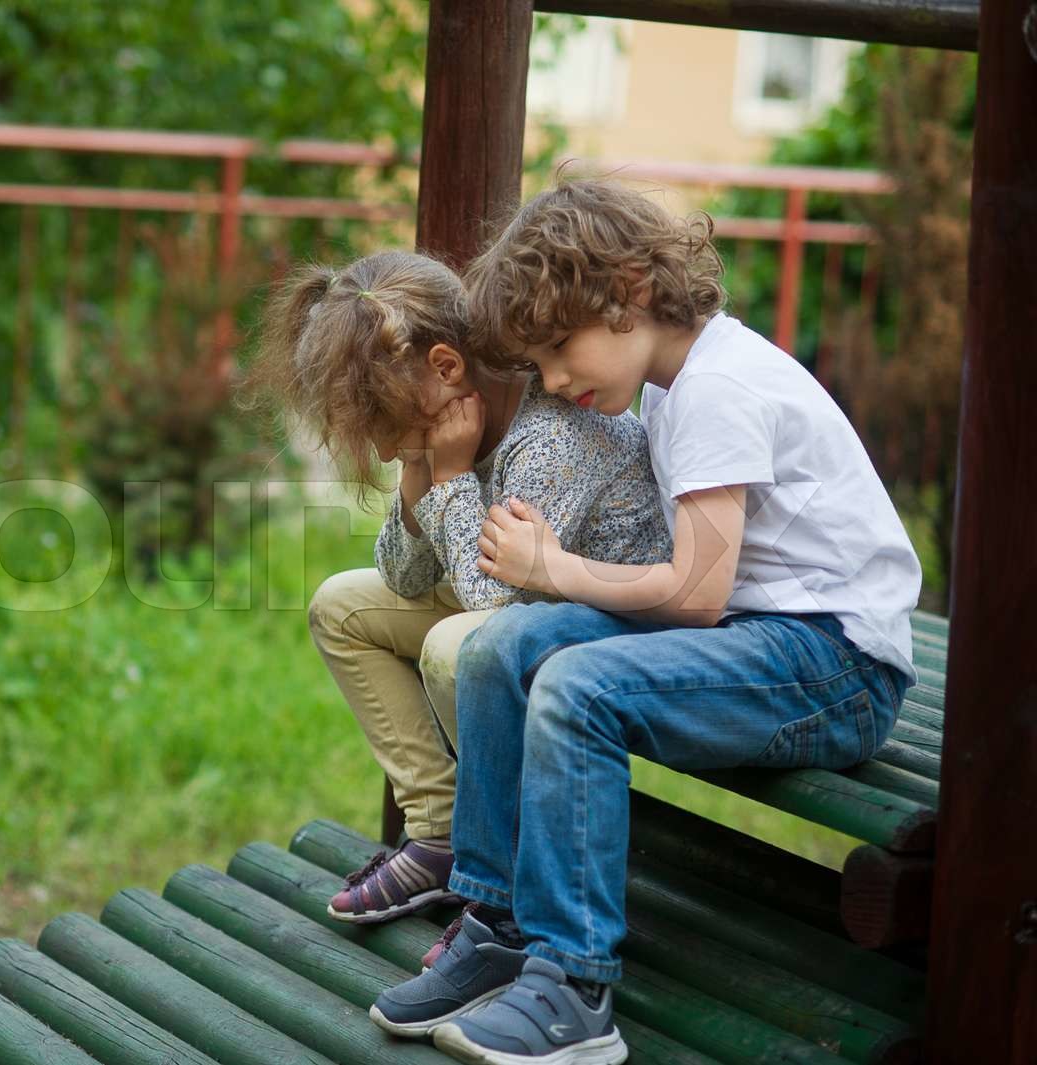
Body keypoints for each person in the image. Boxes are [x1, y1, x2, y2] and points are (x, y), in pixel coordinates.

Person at [369, 180, 921, 1065]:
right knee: (504, 648)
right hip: (755, 637)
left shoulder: (717, 390)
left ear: (627, 291)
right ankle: (501, 919)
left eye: (558, 349)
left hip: (835, 666)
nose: (550, 380)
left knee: (579, 686)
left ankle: (574, 986)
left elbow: (697, 591)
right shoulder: (671, 386)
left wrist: (552, 568)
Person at [247, 249, 670, 933]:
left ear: (445, 368)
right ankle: (441, 832)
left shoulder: (552, 437)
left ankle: (499, 861)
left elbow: (493, 611)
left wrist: (447, 480)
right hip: (525, 612)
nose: (384, 452)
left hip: (612, 626)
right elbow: (405, 577)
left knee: (454, 644)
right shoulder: (449, 427)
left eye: (386, 428)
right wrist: (421, 476)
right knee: (342, 605)